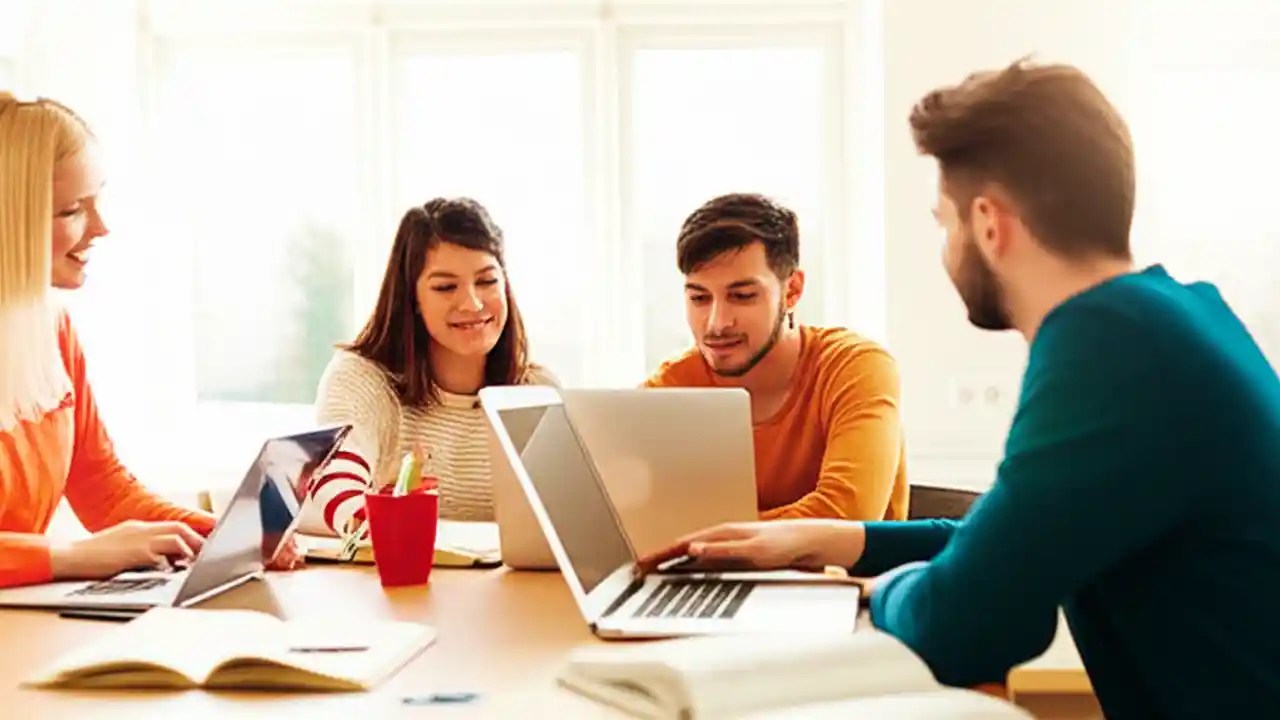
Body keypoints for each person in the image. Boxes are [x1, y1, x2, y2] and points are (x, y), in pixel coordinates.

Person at [640, 60, 1280, 718]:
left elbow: (971, 627)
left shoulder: (1108, 343)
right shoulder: (1179, 314)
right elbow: (1007, 535)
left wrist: (872, 591)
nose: (947, 248)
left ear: (989, 224)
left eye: (944, 223)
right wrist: (836, 541)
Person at [0, 94, 301, 589]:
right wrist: (70, 556)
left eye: (97, 202)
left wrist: (220, 534)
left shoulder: (52, 330)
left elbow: (104, 490)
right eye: (72, 210)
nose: (101, 228)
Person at [644, 193, 909, 521]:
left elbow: (845, 515)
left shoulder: (855, 368)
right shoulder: (669, 389)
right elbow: (626, 519)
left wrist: (693, 532)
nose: (716, 323)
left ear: (792, 290)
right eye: (699, 298)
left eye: (742, 296)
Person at [302, 197, 556, 536]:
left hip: (513, 573)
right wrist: (377, 526)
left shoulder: (538, 390)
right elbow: (333, 475)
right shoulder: (363, 379)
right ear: (412, 299)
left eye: (487, 281)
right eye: (446, 287)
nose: (473, 303)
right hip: (400, 569)